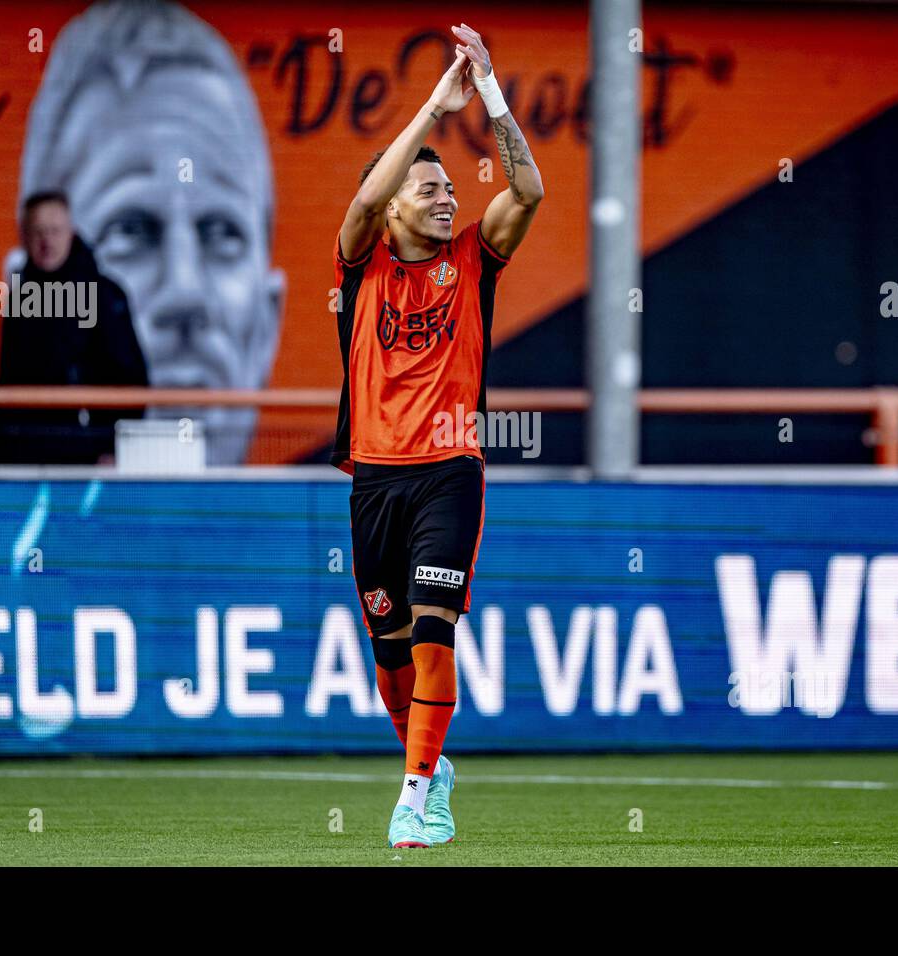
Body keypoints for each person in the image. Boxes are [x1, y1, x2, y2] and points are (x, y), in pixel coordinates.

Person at [332, 24, 544, 848]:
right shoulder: (362, 264)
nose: (445, 197)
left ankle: (415, 794)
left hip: (450, 470)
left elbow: (526, 192)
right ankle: (428, 764)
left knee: (431, 628)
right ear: (391, 208)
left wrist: (488, 95)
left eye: (450, 187)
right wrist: (431, 106)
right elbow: (357, 205)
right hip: (373, 480)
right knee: (387, 650)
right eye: (427, 190)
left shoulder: (473, 260)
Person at [15, 0, 284, 465]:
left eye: (222, 233)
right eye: (130, 231)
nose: (184, 292)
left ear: (269, 317)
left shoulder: (320, 512)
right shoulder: (32, 300)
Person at [0, 191, 149, 464]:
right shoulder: (18, 300)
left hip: (86, 453)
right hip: (26, 454)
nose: (47, 241)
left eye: (54, 231)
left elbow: (130, 378)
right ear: (24, 237)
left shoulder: (105, 297)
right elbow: (9, 380)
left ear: (70, 233)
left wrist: (111, 447)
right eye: (38, 232)